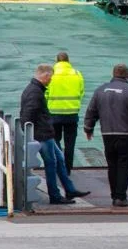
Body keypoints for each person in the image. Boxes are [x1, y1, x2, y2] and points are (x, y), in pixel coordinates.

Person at [84, 63, 128, 208]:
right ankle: (120, 197)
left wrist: (88, 128)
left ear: (113, 74)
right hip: (126, 134)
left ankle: (115, 195)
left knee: (112, 165)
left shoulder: (100, 90)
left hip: (107, 134)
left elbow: (91, 111)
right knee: (124, 165)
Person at [19, 63, 82, 205]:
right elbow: (28, 116)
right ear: (45, 76)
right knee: (51, 163)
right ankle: (55, 195)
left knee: (59, 159)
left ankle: (70, 189)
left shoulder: (34, 89)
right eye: (51, 77)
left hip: (45, 134)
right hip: (42, 135)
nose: (52, 80)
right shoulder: (35, 93)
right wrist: (31, 135)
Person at [46, 50, 85, 171]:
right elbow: (81, 92)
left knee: (55, 140)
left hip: (54, 113)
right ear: (68, 61)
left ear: (56, 61)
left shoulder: (51, 74)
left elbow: (45, 93)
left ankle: (59, 165)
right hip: (72, 114)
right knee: (70, 142)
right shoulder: (77, 74)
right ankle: (68, 167)